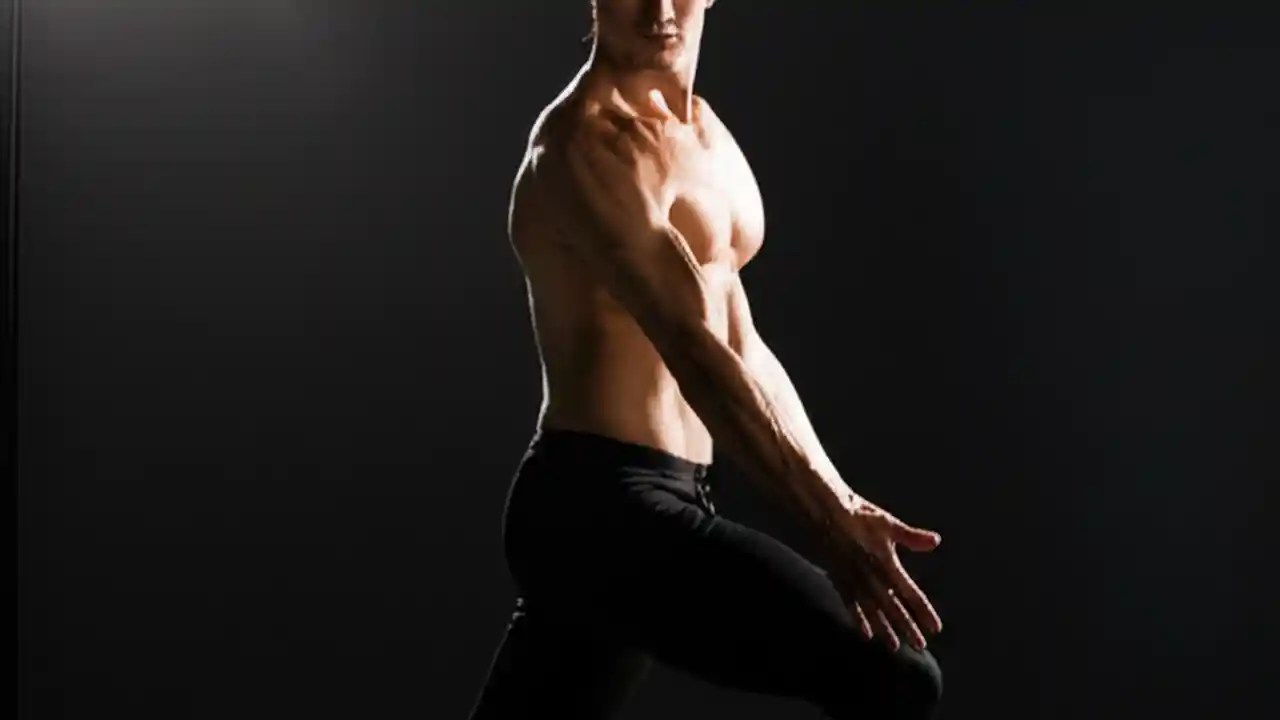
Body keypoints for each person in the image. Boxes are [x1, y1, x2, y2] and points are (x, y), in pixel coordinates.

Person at [467, 1, 945, 717]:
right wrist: (826, 523)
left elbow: (742, 343)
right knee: (897, 678)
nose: (660, 9)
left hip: (662, 494)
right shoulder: (583, 145)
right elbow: (695, 351)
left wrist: (841, 497)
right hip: (597, 509)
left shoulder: (707, 137)